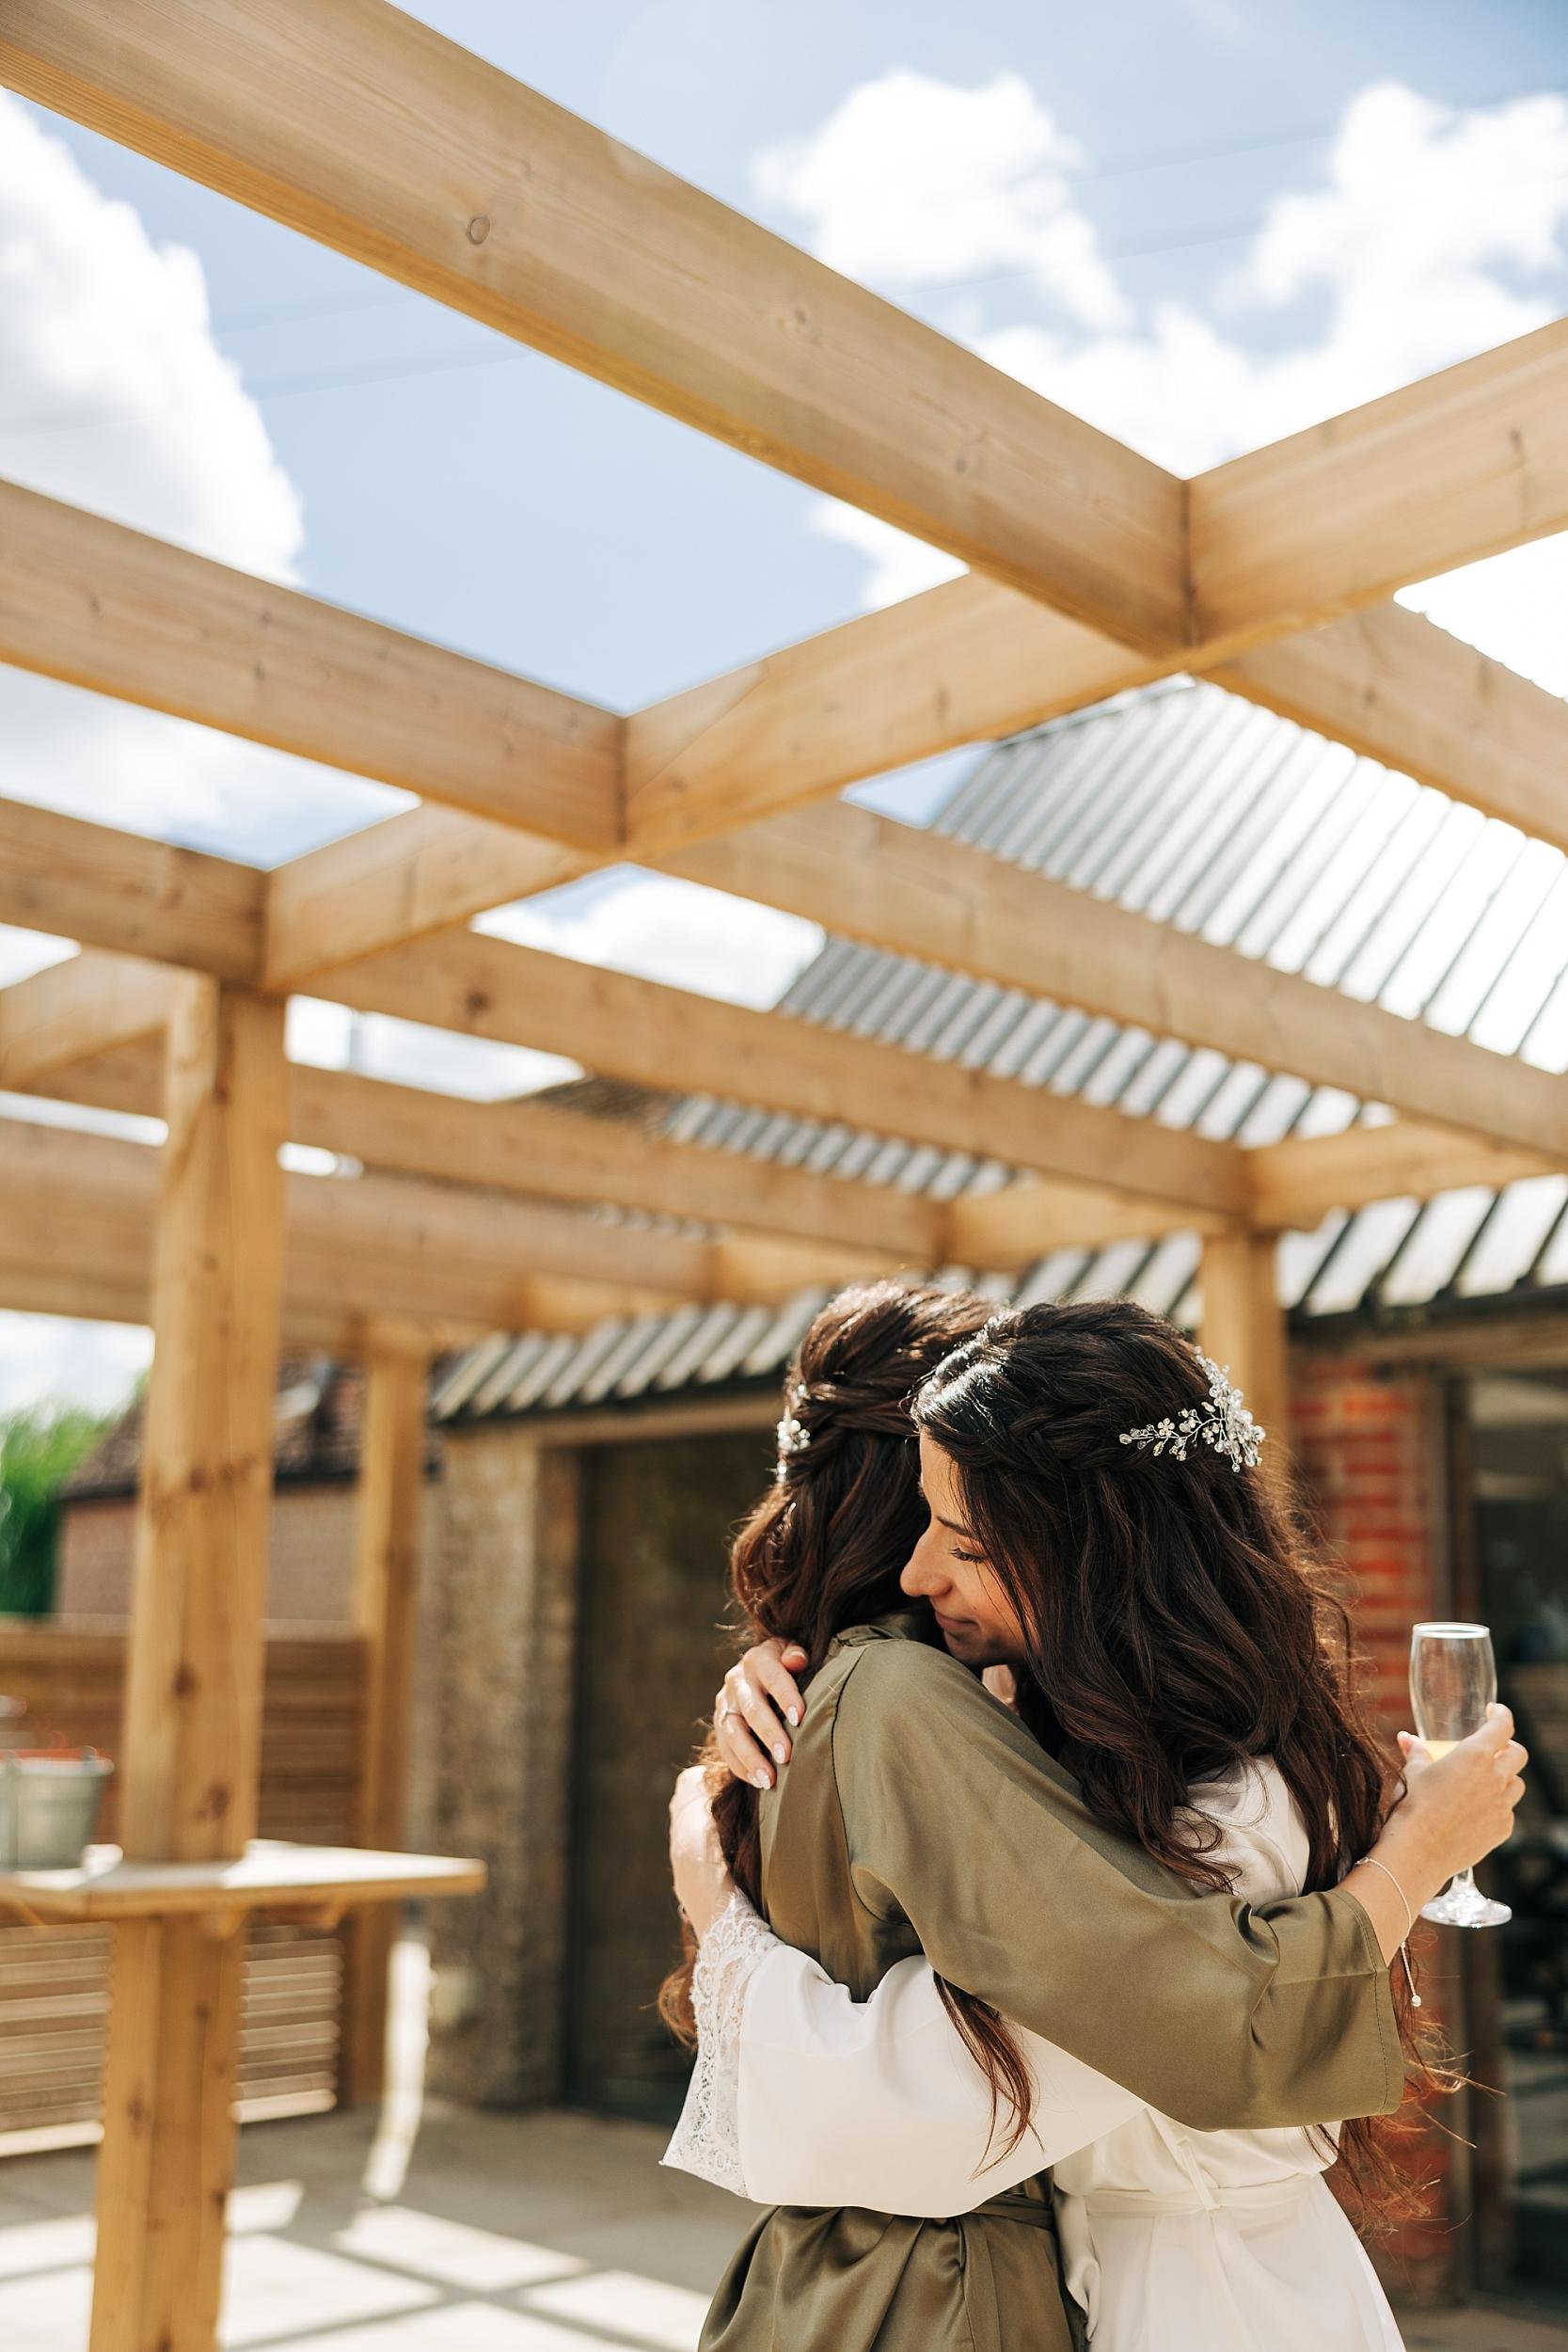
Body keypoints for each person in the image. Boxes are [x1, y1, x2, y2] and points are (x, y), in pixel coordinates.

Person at [662, 1288, 1526, 2352]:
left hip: (1212, 2308)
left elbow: (912, 2102)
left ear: (1098, 1562)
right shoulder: (1092, 1756)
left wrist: (712, 1894)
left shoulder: (1228, 1814)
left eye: (964, 1543)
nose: (914, 1571)